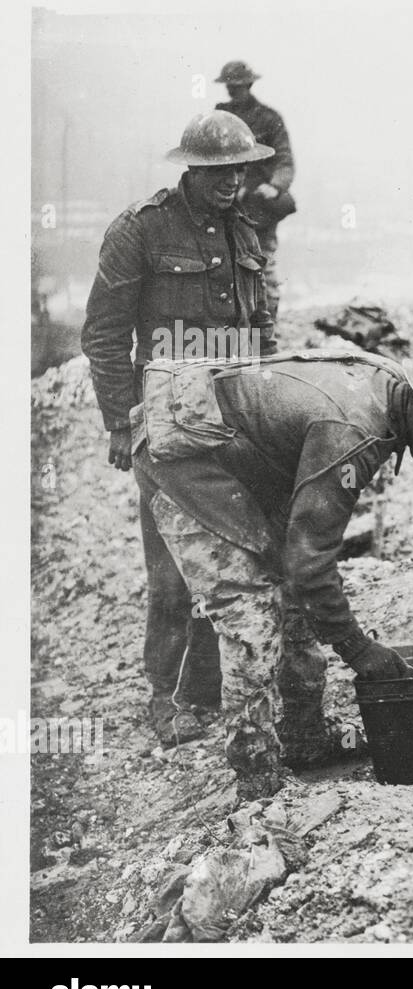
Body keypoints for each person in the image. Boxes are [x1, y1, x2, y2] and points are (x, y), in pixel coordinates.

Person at [133, 351, 413, 801]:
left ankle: (305, 736)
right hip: (187, 465)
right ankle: (258, 776)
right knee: (251, 614)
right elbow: (310, 561)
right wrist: (358, 648)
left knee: (293, 591)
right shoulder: (353, 433)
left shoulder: (389, 388)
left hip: (240, 457)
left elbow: (306, 556)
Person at [81, 111, 276, 747]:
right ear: (190, 169)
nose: (233, 181)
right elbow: (105, 333)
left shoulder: (246, 231)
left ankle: (208, 690)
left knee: (237, 552)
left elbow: (262, 331)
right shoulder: (142, 229)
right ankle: (165, 697)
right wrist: (119, 421)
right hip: (166, 424)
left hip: (237, 419)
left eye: (242, 169)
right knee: (171, 569)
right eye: (220, 171)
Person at [215, 60, 295, 319]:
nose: (232, 91)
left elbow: (284, 160)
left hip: (258, 209)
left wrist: (274, 186)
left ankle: (267, 334)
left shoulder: (270, 119)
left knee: (265, 271)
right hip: (225, 206)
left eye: (237, 86)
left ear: (249, 84)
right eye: (229, 86)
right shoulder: (219, 117)